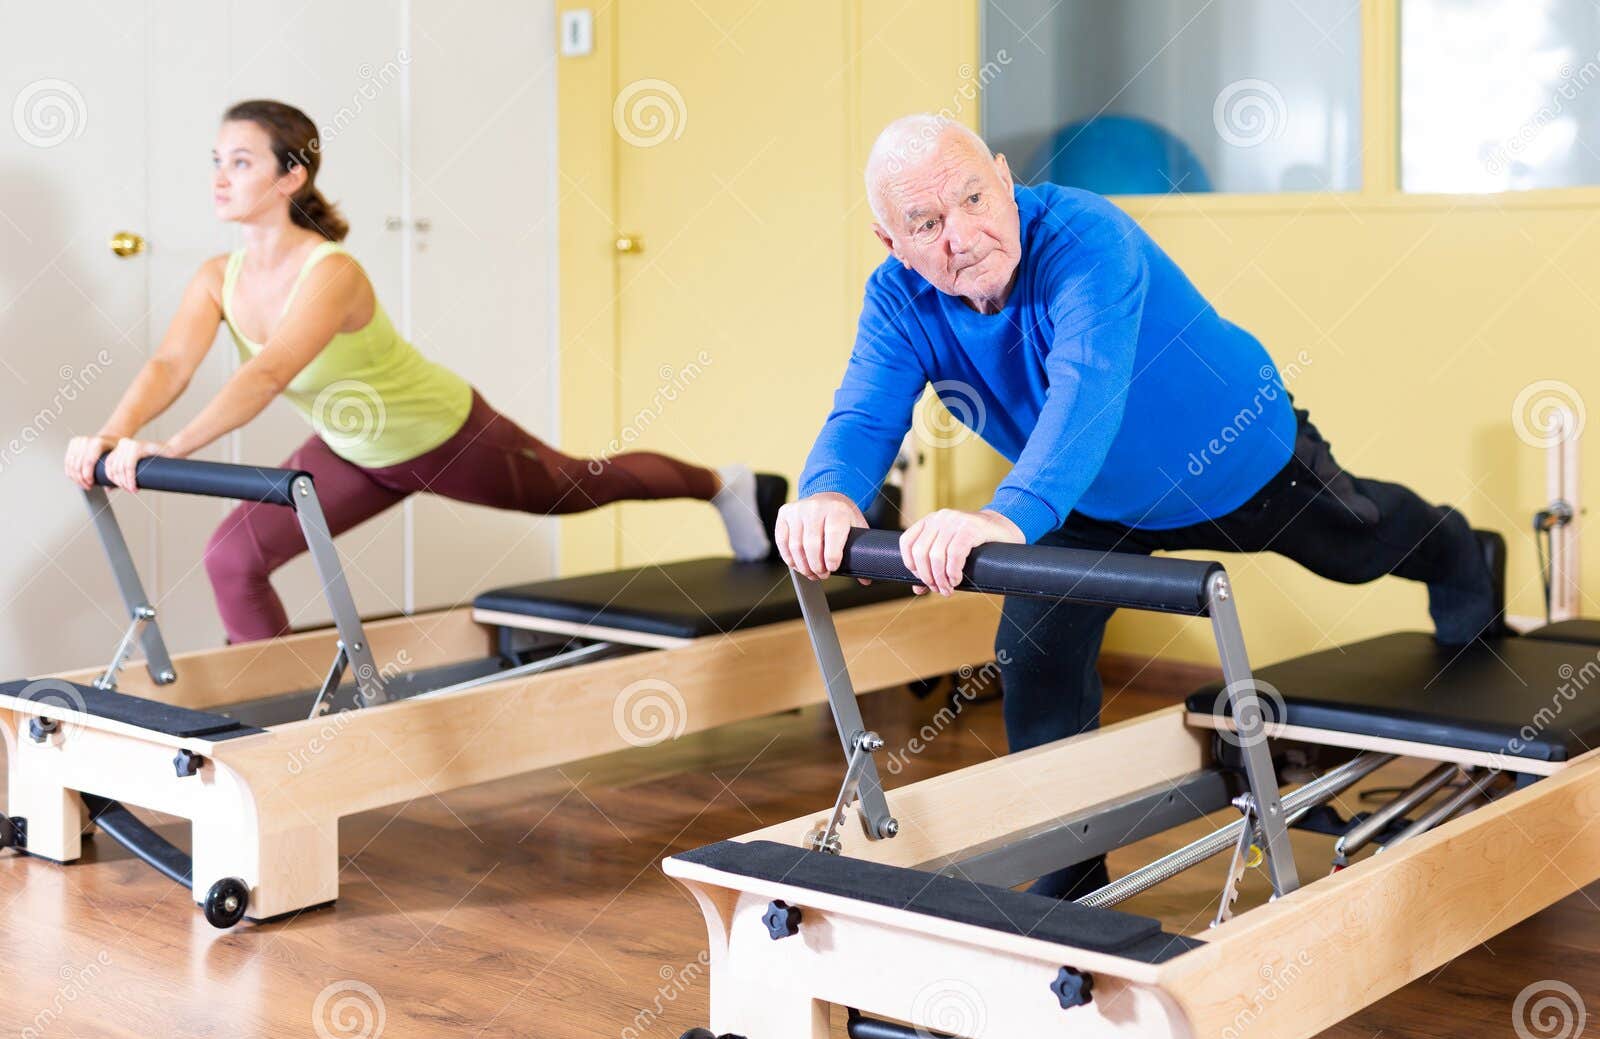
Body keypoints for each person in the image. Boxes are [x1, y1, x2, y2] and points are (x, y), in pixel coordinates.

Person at [777, 114, 1500, 899]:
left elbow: (1088, 392)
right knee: (1038, 658)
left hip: (1236, 458)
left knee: (1360, 546)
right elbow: (865, 412)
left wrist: (1000, 519)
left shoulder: (1087, 239)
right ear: (893, 242)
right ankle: (1072, 876)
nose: (963, 236)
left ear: (1005, 179)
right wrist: (827, 494)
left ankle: (1461, 552)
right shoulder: (898, 298)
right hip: (1083, 495)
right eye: (927, 223)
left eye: (974, 199)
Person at [65, 99, 776, 644]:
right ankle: (274, 732)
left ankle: (724, 485)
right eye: (216, 160)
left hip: (443, 435)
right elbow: (169, 362)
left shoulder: (331, 271)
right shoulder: (218, 275)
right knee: (232, 561)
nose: (220, 177)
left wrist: (169, 449)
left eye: (241, 162)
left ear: (293, 175)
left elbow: (271, 372)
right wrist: (112, 435)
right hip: (353, 450)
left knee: (574, 488)